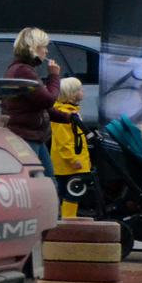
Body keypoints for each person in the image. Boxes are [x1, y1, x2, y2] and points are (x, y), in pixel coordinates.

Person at [3, 27, 66, 179]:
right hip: (26, 136)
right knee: (43, 182)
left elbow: (37, 105)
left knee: (49, 181)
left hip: (33, 135)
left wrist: (68, 118)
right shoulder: (23, 72)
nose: (46, 51)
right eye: (43, 46)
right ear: (34, 48)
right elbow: (48, 100)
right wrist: (54, 76)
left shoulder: (22, 70)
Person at [51, 78, 91, 219]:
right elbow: (63, 142)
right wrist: (72, 159)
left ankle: (66, 218)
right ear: (72, 94)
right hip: (70, 164)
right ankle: (68, 219)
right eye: (80, 89)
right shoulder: (63, 115)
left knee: (70, 191)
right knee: (73, 191)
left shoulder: (70, 112)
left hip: (72, 162)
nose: (83, 92)